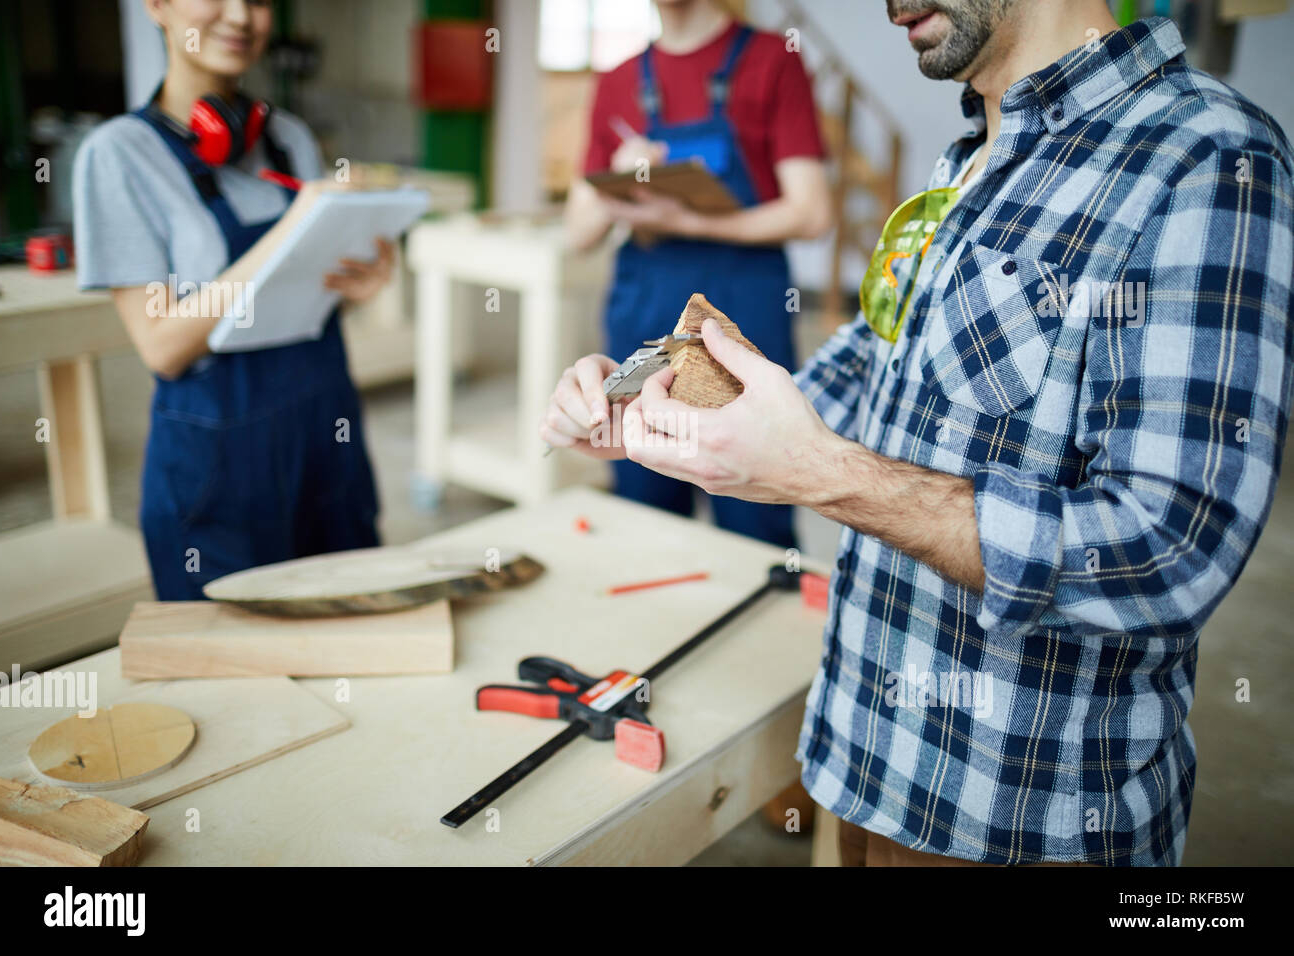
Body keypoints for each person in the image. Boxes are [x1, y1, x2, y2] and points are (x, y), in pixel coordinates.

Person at [542, 1, 1294, 865]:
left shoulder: (1206, 156)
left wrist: (821, 474)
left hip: (1010, 814)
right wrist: (648, 407)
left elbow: (1167, 553)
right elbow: (867, 370)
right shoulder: (967, 161)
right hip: (864, 758)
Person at [72, 0, 393, 600]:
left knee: (352, 632)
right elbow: (162, 347)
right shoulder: (118, 156)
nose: (241, 16)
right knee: (235, 668)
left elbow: (297, 300)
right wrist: (289, 232)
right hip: (217, 469)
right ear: (158, 6)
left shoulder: (289, 138)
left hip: (326, 438)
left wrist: (355, 289)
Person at [563, 0, 831, 549]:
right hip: (644, 311)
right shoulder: (616, 81)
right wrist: (618, 174)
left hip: (743, 319)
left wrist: (687, 220)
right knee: (645, 511)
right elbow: (578, 232)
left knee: (756, 511)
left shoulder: (773, 59)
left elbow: (812, 212)